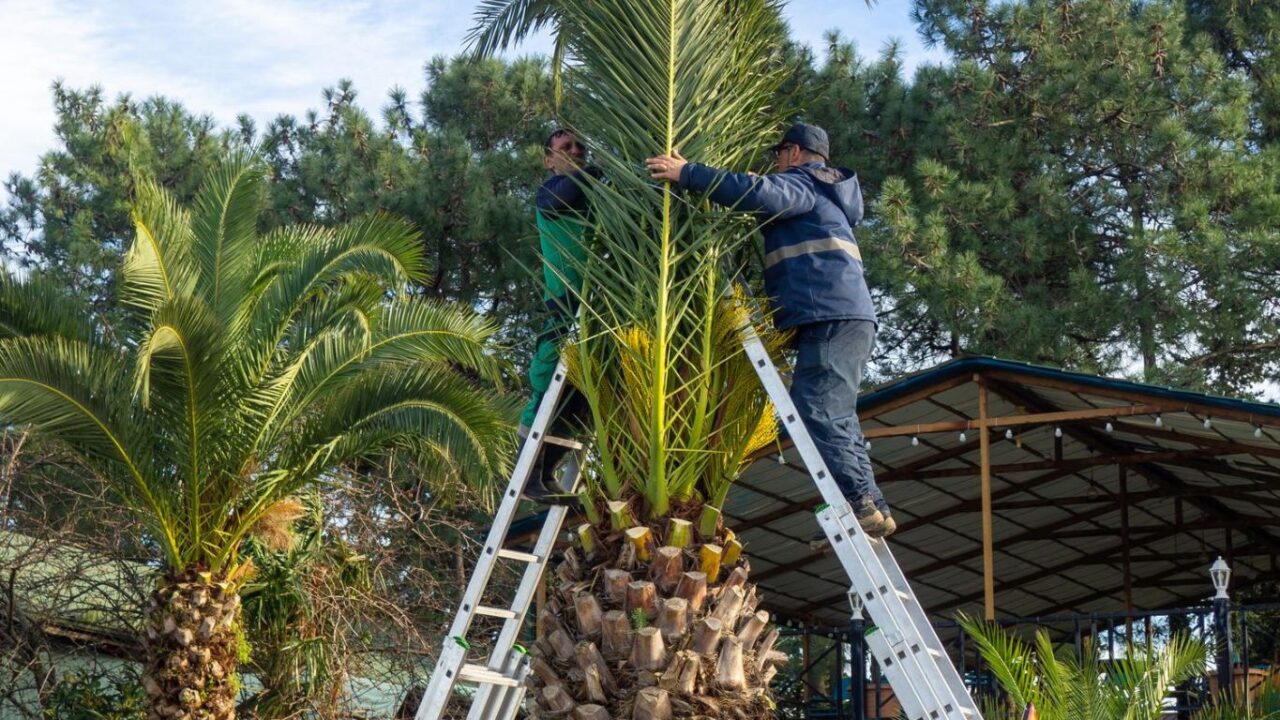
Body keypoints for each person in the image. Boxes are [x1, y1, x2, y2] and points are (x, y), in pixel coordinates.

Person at [645, 122, 894, 537]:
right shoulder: (831, 196)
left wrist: (687, 174)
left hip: (829, 316)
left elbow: (758, 192)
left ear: (795, 153)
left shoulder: (803, 183)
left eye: (778, 155)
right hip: (846, 317)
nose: (776, 163)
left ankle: (856, 501)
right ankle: (872, 504)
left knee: (814, 408)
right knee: (838, 413)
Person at [519, 128, 597, 500]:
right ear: (549, 160)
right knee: (546, 375)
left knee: (579, 397)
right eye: (565, 148)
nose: (576, 151)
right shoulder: (551, 192)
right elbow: (564, 195)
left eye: (580, 147)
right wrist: (601, 173)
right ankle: (528, 471)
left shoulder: (594, 197)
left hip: (600, 305)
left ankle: (547, 470)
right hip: (567, 301)